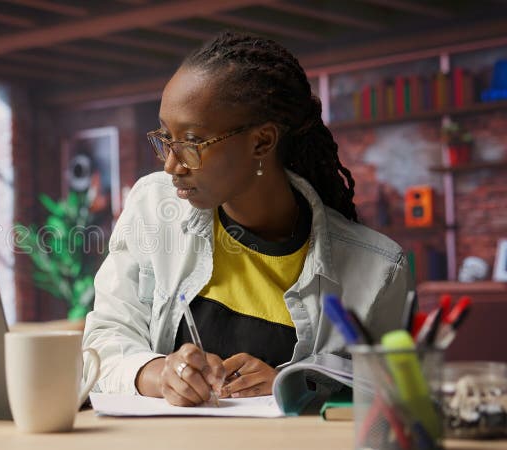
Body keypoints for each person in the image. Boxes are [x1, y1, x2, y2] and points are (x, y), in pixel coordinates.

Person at [82, 32, 413, 408]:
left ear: (262, 142)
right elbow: (103, 342)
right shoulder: (153, 208)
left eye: (191, 142)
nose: (172, 165)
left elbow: (390, 398)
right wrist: (159, 373)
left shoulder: (378, 272)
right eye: (166, 138)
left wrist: (295, 386)